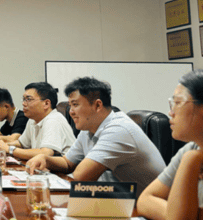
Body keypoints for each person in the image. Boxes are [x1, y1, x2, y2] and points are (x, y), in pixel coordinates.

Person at [26, 77, 165, 197]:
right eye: (70, 106)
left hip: (144, 210)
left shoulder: (118, 130)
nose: (71, 112)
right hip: (119, 201)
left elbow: (81, 176)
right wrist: (45, 159)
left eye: (75, 105)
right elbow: (68, 163)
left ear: (97, 105)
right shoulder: (88, 129)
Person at [137, 69, 203, 220]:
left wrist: (191, 160)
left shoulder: (191, 155)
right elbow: (145, 200)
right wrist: (178, 216)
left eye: (178, 102)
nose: (171, 112)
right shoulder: (192, 148)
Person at [0, 82, 75, 160]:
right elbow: (21, 143)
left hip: (65, 172)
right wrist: (1, 144)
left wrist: (9, 149)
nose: (23, 103)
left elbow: (45, 153)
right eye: (23, 99)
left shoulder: (54, 120)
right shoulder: (32, 120)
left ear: (46, 104)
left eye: (28, 99)